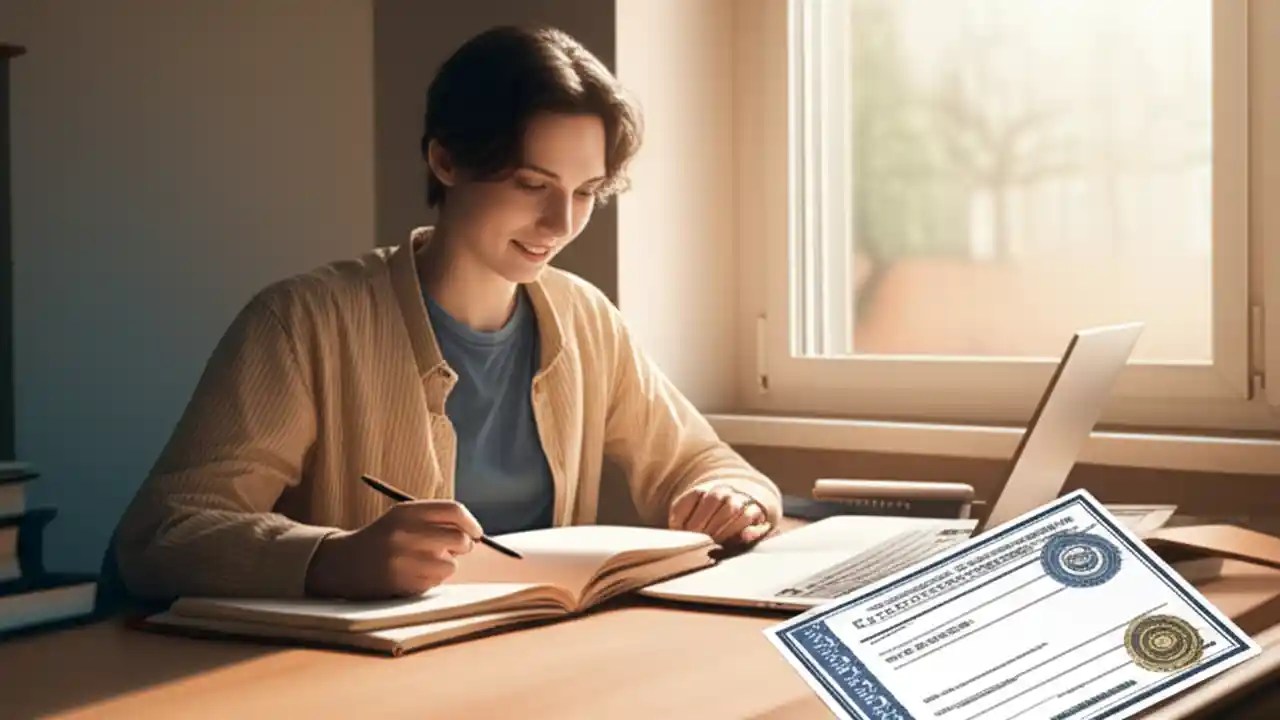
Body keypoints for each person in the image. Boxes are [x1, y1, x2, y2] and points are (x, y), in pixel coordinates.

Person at [104, 24, 782, 607]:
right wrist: (330, 559)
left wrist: (732, 495)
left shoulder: (584, 318)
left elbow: (703, 462)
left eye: (586, 192)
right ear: (445, 159)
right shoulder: (302, 322)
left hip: (531, 658)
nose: (562, 223)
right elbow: (160, 535)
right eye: (531, 185)